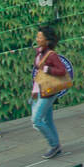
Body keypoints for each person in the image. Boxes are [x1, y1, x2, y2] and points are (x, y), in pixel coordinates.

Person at [31, 25, 65, 159]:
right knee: (47, 120)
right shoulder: (39, 52)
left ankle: (54, 144)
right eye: (37, 36)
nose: (37, 39)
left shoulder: (52, 55)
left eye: (40, 37)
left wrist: (47, 69)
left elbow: (62, 71)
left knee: (37, 120)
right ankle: (56, 145)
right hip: (40, 89)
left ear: (47, 40)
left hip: (49, 91)